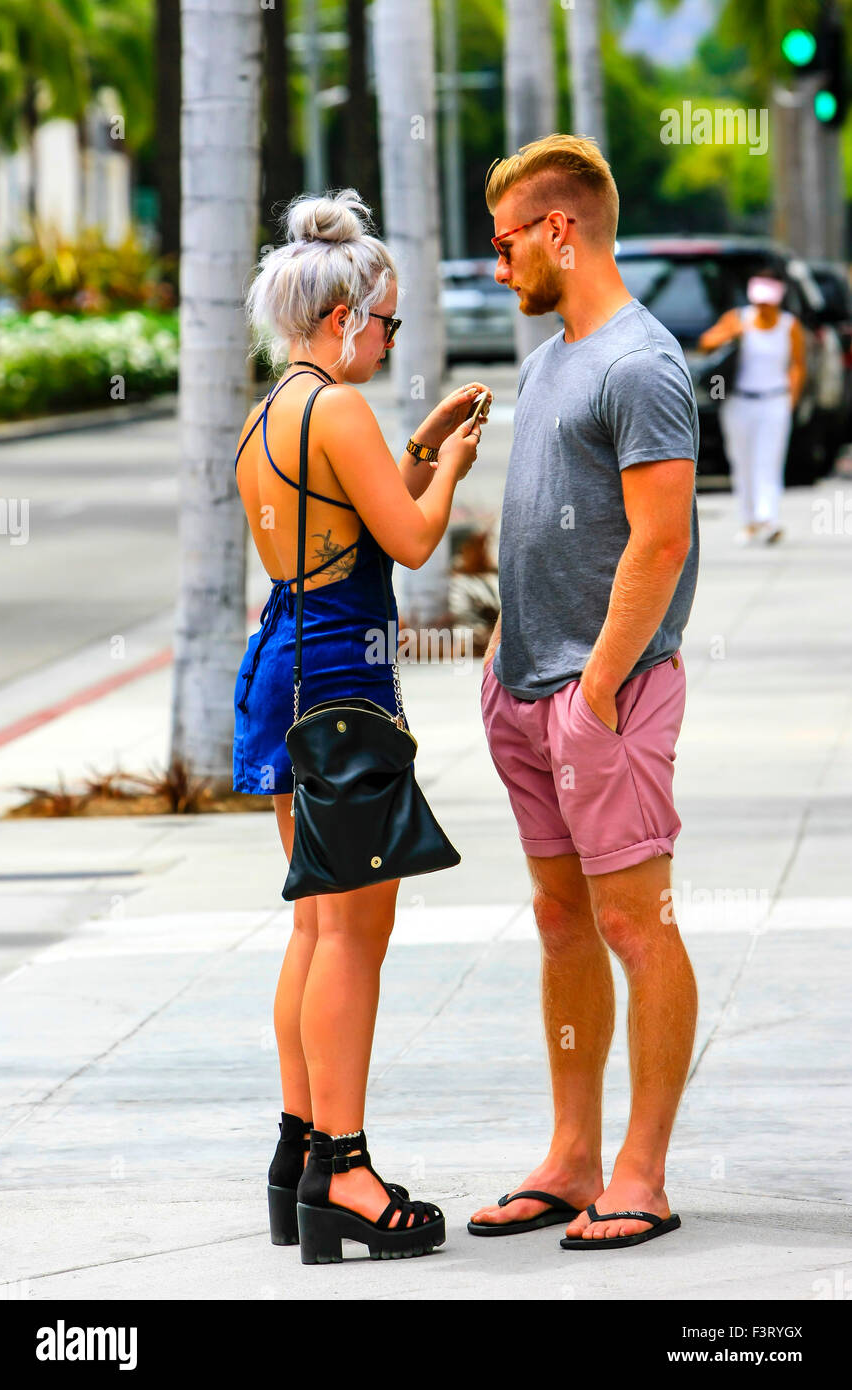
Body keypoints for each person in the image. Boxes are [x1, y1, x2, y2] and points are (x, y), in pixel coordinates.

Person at [232, 188, 489, 1263]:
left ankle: (298, 1149)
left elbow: (350, 521)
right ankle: (344, 1168)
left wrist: (420, 444)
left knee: (313, 924)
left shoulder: (272, 409)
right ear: (343, 318)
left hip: (284, 674)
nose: (385, 340)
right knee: (353, 933)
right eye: (382, 323)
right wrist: (455, 473)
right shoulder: (337, 408)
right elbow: (415, 540)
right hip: (342, 687)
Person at [469, 134, 700, 1249]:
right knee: (562, 919)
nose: (496, 259)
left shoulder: (639, 365)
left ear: (561, 230)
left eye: (507, 238)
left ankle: (639, 1171)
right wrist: (507, 651)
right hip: (526, 688)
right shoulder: (552, 353)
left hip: (602, 694)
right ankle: (569, 1156)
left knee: (632, 921)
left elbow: (657, 543)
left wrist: (597, 689)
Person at [699, 266, 806, 545]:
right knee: (742, 460)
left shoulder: (788, 325)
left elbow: (797, 365)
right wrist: (730, 334)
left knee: (768, 461)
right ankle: (749, 521)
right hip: (738, 402)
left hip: (774, 401)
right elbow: (706, 343)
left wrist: (790, 399)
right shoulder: (738, 318)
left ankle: (768, 518)